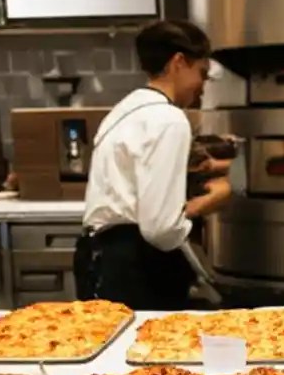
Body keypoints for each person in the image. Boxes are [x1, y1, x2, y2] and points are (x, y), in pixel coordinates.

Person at [75, 20, 232, 309]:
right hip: (135, 267)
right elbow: (160, 229)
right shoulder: (169, 120)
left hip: (99, 257)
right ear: (178, 62)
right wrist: (211, 201)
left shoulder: (124, 111)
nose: (202, 87)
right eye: (202, 73)